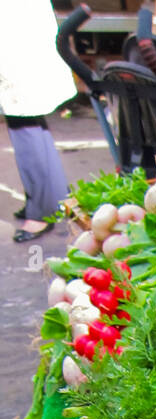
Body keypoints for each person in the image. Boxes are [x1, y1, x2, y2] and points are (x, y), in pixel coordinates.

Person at [0, 0, 74, 242]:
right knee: (23, 114)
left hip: (15, 20)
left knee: (22, 113)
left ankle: (43, 209)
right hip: (18, 18)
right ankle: (52, 197)